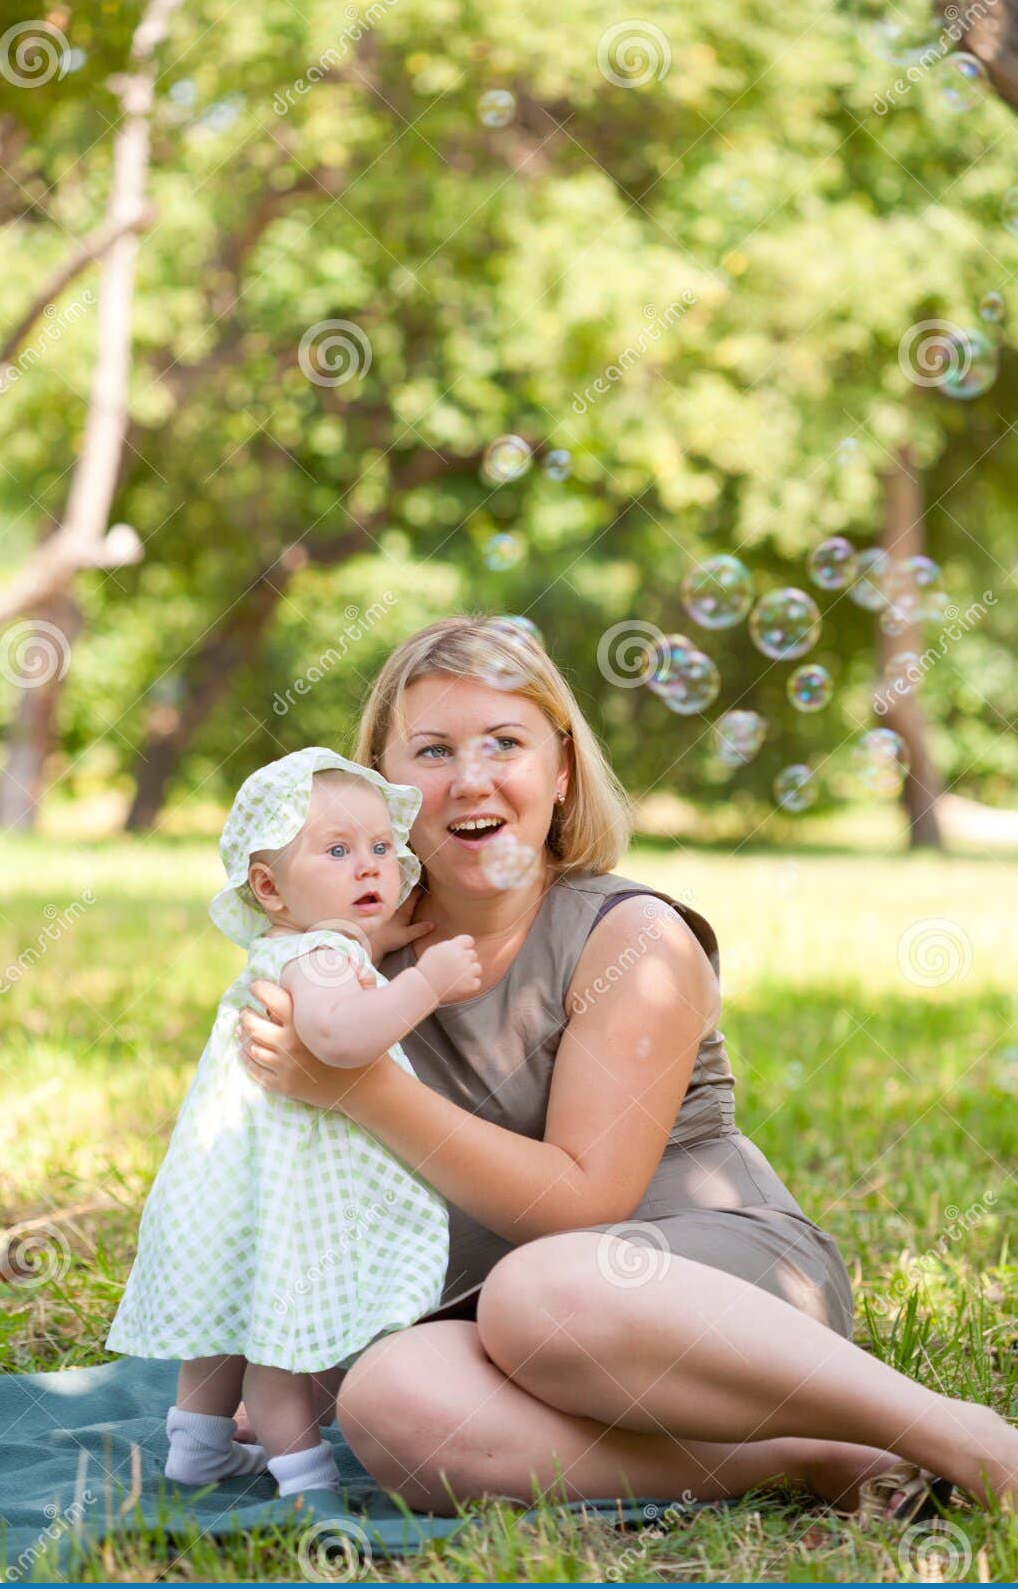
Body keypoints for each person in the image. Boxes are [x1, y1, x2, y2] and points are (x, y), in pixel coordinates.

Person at [236, 617, 1018, 1519]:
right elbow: (311, 1185)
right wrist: (296, 1356)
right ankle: (807, 1455)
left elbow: (579, 1206)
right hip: (507, 1321)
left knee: (544, 1292)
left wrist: (359, 1088)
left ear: (560, 772)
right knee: (390, 1401)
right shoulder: (347, 970)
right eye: (432, 750)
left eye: (505, 743)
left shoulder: (631, 938)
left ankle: (960, 1436)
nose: (471, 778)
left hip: (708, 1295)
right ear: (381, 788)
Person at [106, 747, 481, 1498]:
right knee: (279, 1343)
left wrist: (379, 946)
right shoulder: (320, 958)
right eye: (338, 851)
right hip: (287, 1192)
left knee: (220, 1327)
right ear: (270, 887)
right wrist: (425, 985)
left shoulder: (296, 945)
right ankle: (306, 1478)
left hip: (226, 1184)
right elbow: (341, 1035)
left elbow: (338, 961)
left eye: (381, 848)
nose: (370, 867)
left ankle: (195, 1454)